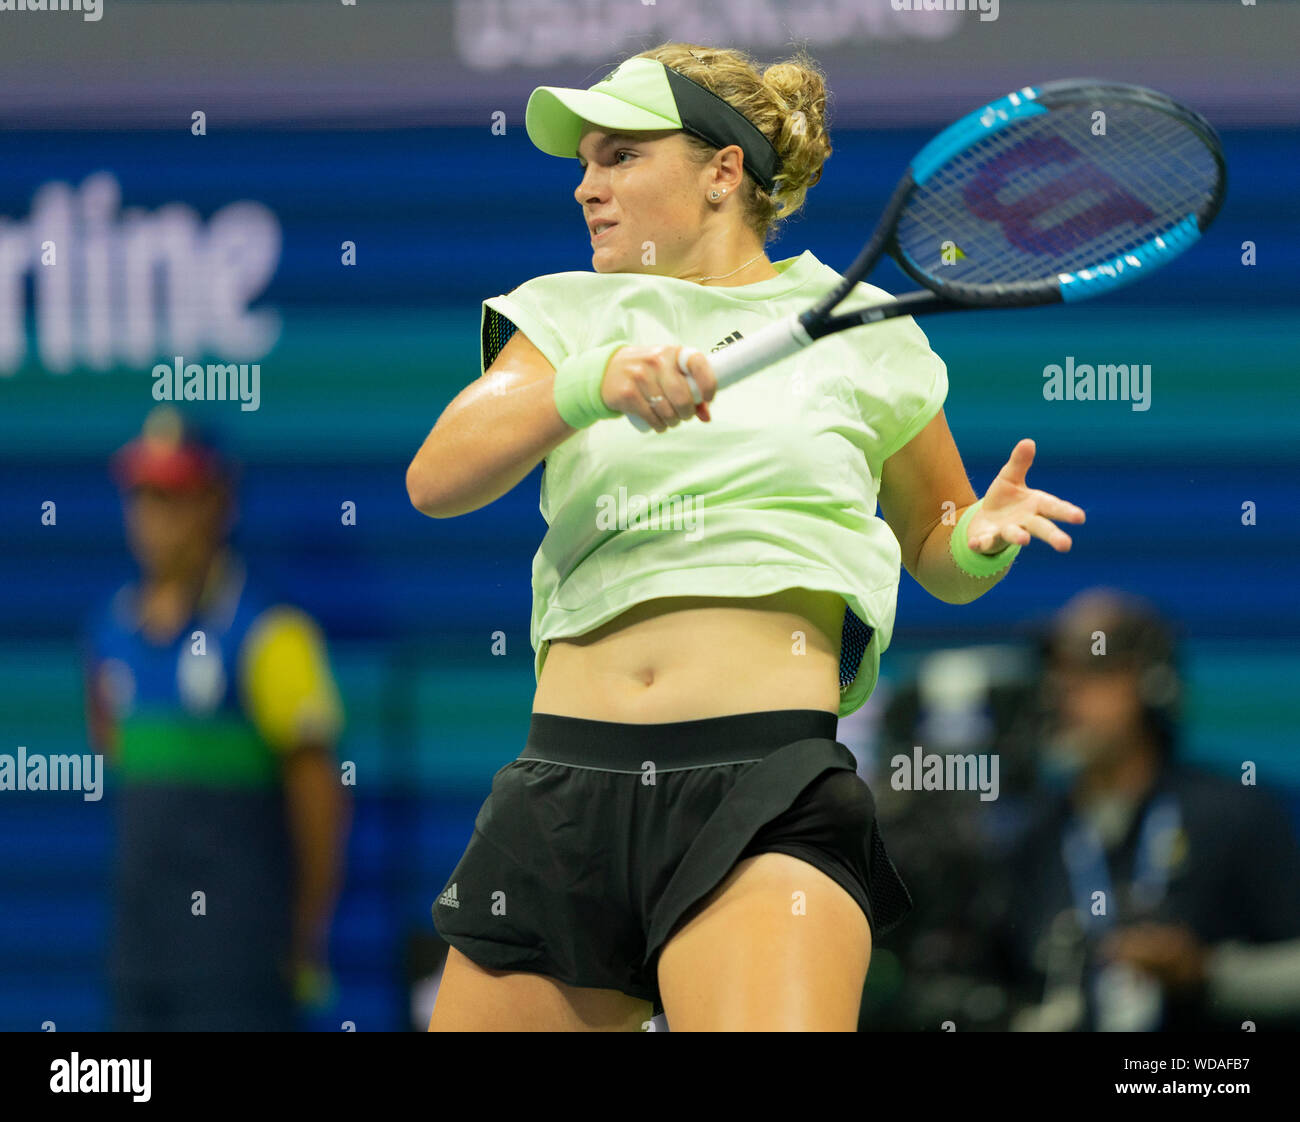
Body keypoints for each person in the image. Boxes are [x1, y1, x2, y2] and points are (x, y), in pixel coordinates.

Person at [408, 43, 1085, 1031]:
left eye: (620, 157)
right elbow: (438, 477)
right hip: (561, 792)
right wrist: (591, 382)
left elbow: (937, 547)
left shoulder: (866, 331)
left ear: (723, 170)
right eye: (583, 164)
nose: (587, 188)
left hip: (762, 792)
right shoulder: (564, 312)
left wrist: (977, 535)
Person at [84, 405, 349, 1031]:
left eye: (173, 495)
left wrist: (305, 938)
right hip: (137, 960)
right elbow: (119, 758)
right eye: (142, 494)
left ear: (217, 504)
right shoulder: (106, 634)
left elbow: (320, 805)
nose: (153, 516)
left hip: (240, 967)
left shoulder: (273, 635)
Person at [992, 588, 1300, 1031]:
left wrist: (1207, 975)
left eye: (1094, 667)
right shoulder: (1031, 835)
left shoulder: (1237, 816)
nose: (1062, 687)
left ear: (1153, 684)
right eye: (1056, 668)